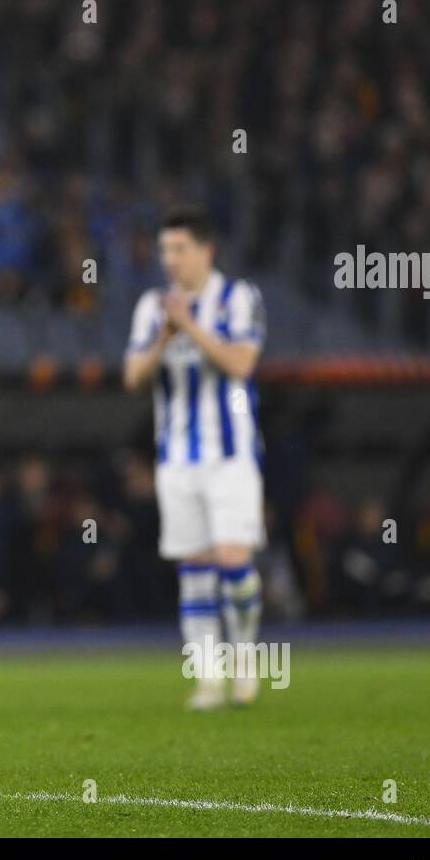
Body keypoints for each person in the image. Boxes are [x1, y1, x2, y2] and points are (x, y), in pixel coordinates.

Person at [123, 207, 266, 710]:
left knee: (233, 560)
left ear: (207, 250)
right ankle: (209, 679)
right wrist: (166, 333)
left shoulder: (238, 298)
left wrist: (192, 329)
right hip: (177, 458)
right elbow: (134, 377)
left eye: (179, 248)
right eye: (164, 250)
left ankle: (245, 653)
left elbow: (241, 363)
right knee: (194, 567)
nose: (170, 259)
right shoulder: (151, 307)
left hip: (231, 456)